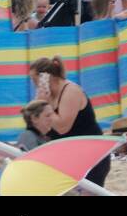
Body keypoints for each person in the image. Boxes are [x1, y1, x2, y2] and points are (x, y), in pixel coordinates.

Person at [29, 57, 112, 185]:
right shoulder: (48, 96)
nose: (35, 85)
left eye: (36, 81)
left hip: (91, 157)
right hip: (68, 157)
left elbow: (62, 128)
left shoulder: (71, 91)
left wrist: (45, 104)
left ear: (46, 78)